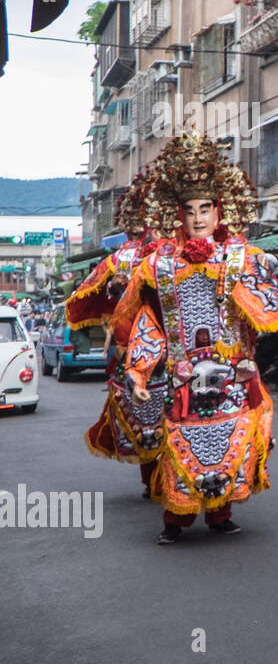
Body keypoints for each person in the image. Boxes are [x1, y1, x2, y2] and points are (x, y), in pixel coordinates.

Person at [113, 134, 278, 544]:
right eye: (190, 210)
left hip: (232, 376)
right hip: (183, 381)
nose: (198, 218)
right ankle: (174, 521)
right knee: (181, 445)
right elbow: (148, 326)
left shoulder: (244, 259)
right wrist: (139, 373)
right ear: (178, 214)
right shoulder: (159, 266)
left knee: (231, 439)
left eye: (206, 208)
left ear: (220, 210)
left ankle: (219, 514)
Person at [68, 167, 167, 497]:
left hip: (184, 347)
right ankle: (154, 478)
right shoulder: (125, 257)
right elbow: (94, 288)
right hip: (139, 349)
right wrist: (117, 289)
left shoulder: (188, 254)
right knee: (145, 423)